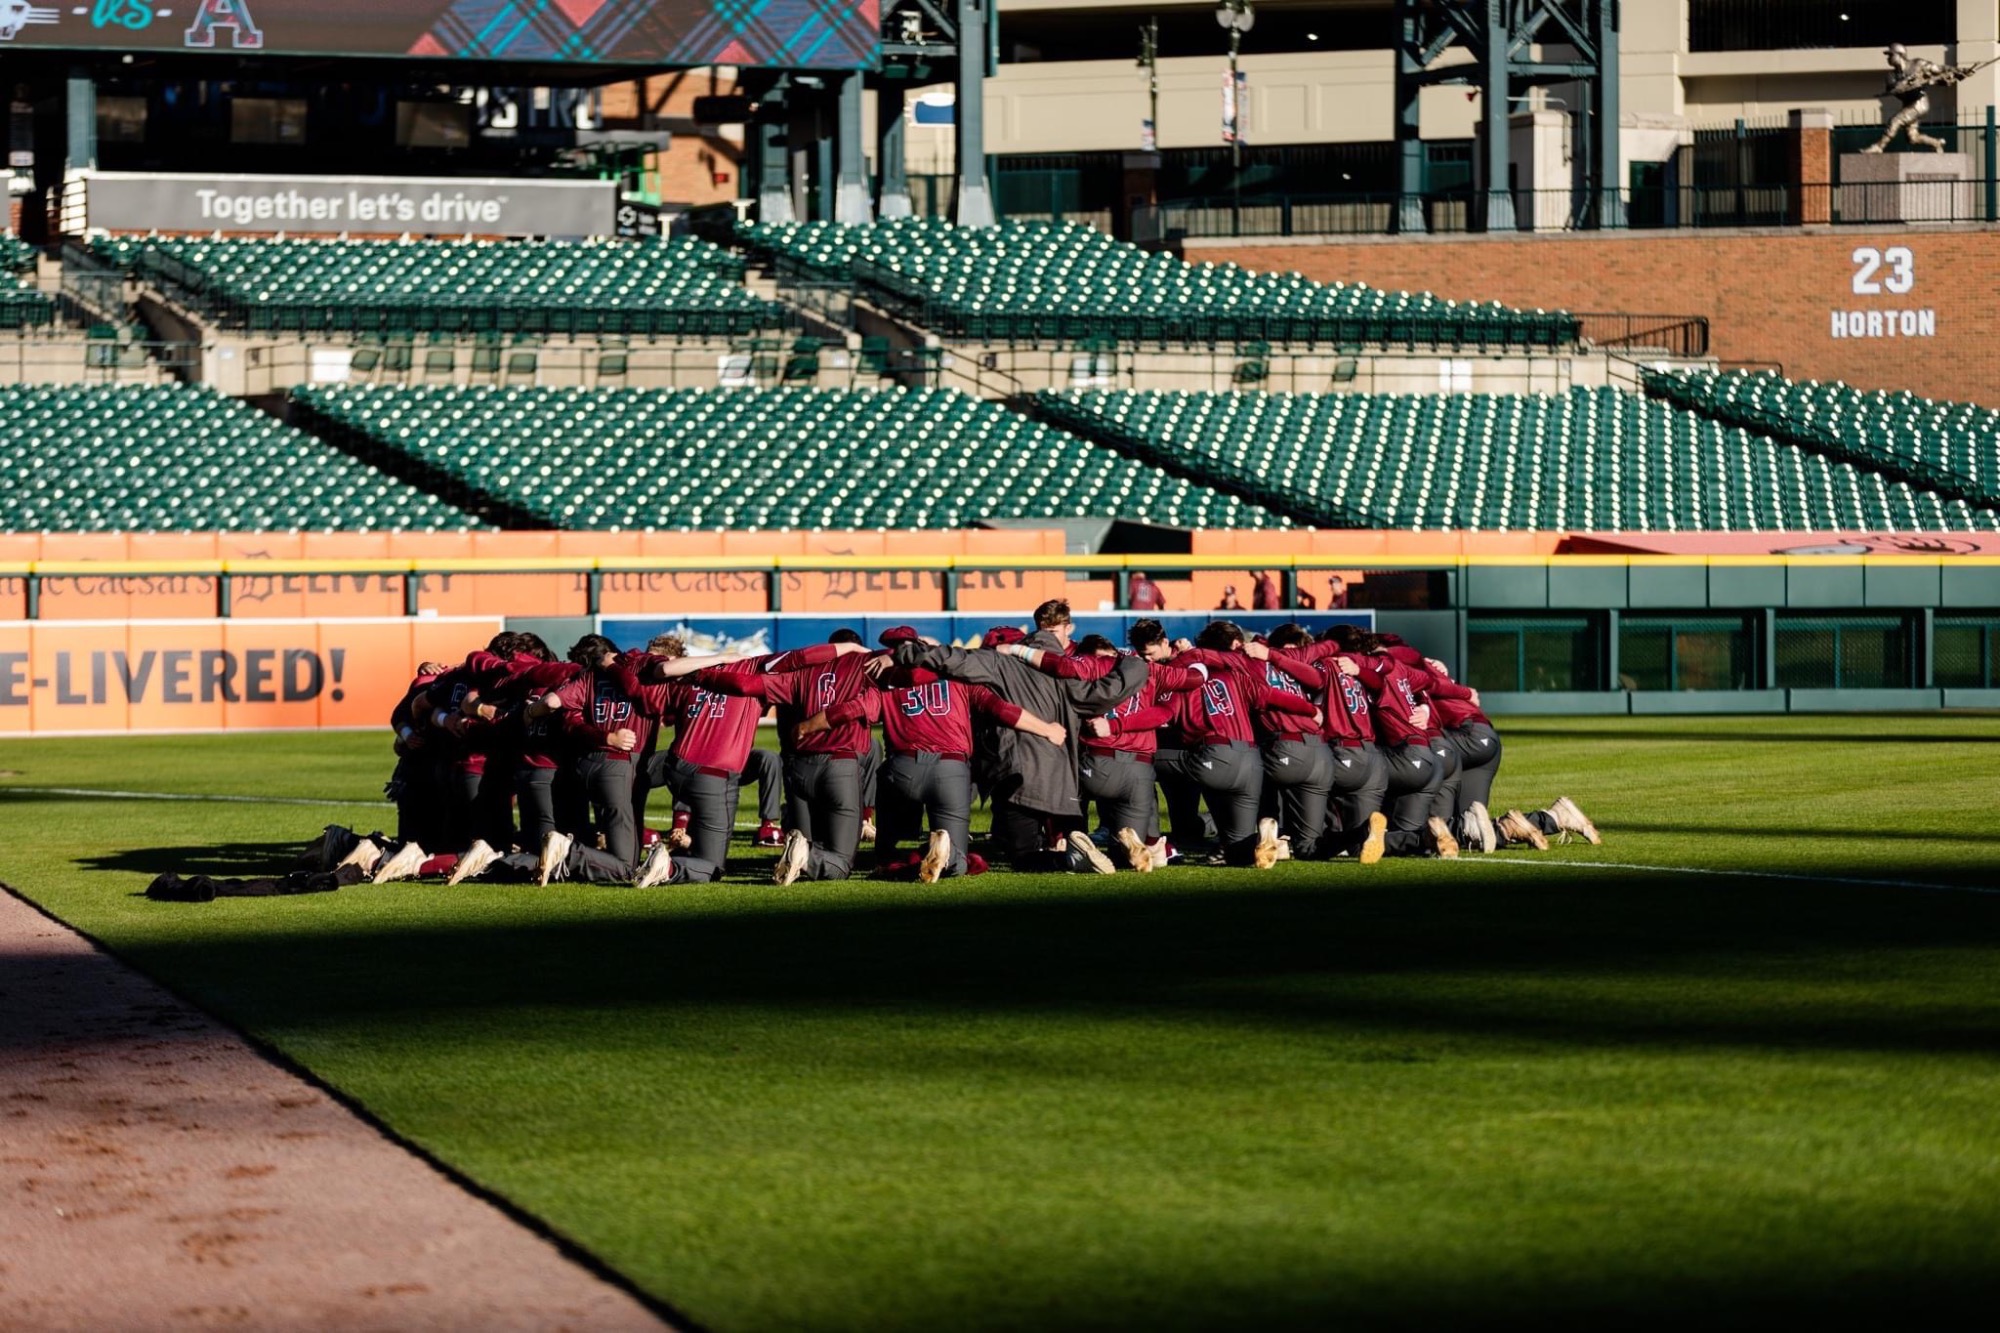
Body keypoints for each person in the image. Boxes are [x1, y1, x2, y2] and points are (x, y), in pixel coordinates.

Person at [823, 626, 1064, 882]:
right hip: (950, 770)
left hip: (902, 768)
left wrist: (806, 727)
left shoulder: (885, 680)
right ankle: (938, 854)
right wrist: (1046, 729)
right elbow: (1002, 709)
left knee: (887, 800)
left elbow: (851, 710)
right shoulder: (957, 675)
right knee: (957, 860)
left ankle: (890, 859)